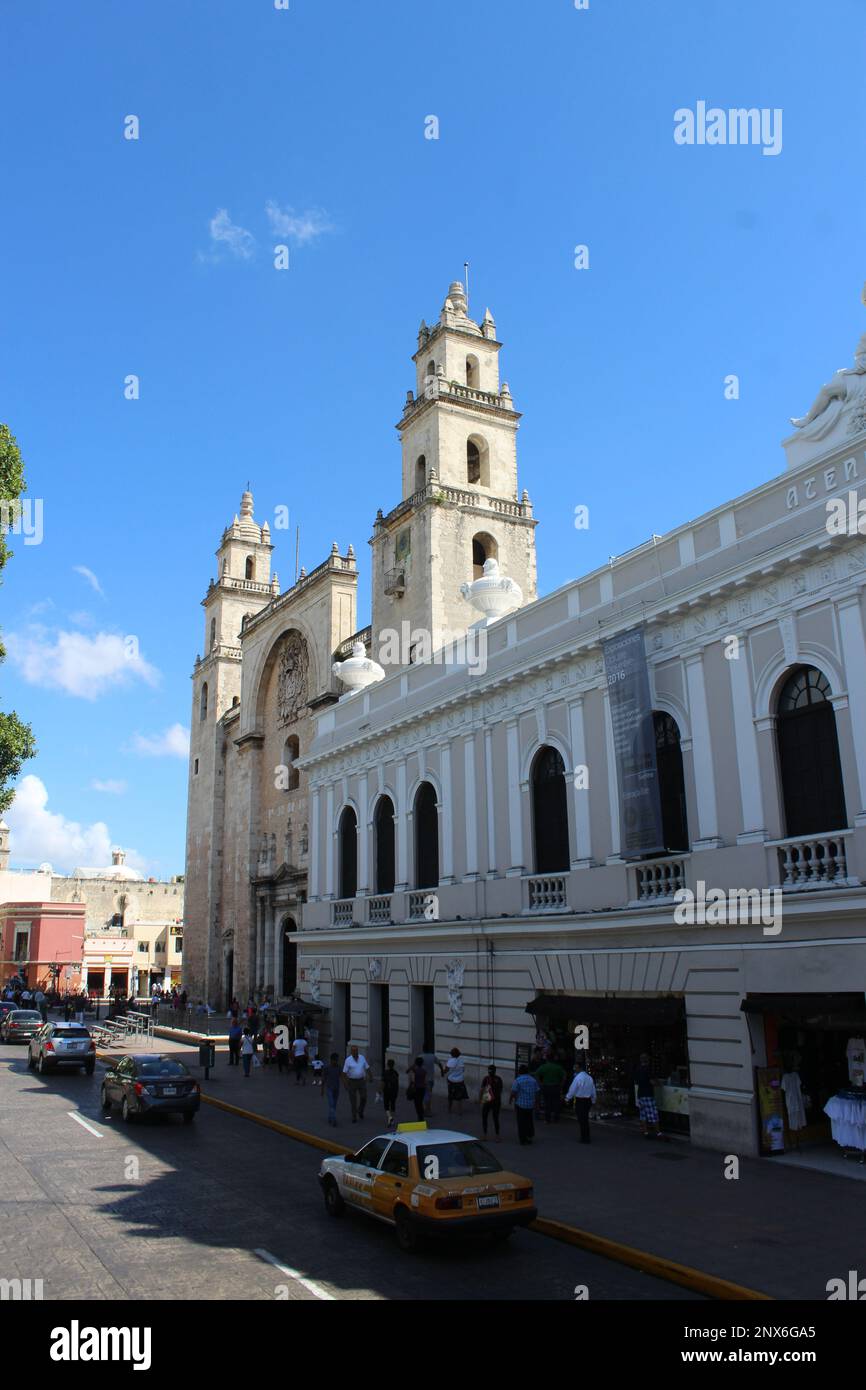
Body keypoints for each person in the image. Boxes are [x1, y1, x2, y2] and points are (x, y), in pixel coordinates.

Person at [566, 1053, 597, 1144]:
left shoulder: (578, 1078)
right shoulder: (589, 1078)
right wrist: (593, 1100)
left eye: (575, 1067)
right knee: (585, 1119)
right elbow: (593, 1090)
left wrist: (567, 1098)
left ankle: (585, 1137)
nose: (574, 1069)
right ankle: (586, 1136)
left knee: (581, 1119)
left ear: (579, 1068)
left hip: (580, 1100)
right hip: (587, 1100)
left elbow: (572, 1089)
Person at [509, 1064, 541, 1145]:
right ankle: (529, 1136)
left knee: (521, 1122)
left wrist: (510, 1100)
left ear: (520, 1071)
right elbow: (537, 1092)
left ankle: (522, 1139)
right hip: (530, 1105)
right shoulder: (533, 1080)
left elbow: (513, 1092)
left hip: (520, 1104)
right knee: (529, 1121)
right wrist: (537, 1102)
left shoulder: (518, 1080)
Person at [634, 1052, 662, 1139]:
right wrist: (658, 1083)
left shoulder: (638, 1069)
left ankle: (645, 1132)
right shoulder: (648, 1069)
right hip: (648, 1094)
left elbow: (637, 1081)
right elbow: (652, 1081)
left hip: (640, 1094)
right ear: (648, 1060)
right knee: (653, 1114)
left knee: (643, 1114)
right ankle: (658, 1133)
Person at [342, 1044, 371, 1122]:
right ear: (351, 1052)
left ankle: (360, 1110)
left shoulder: (362, 1058)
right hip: (352, 1082)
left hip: (361, 1081)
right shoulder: (348, 1060)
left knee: (364, 1097)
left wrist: (370, 1076)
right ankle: (354, 1116)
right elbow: (344, 1073)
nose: (355, 1052)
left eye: (356, 1051)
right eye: (353, 1051)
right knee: (353, 1100)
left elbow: (367, 1067)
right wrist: (345, 1084)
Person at [535, 1054, 566, 1124]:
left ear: (547, 1059)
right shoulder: (558, 1067)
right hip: (556, 1086)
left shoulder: (544, 1067)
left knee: (547, 1103)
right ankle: (556, 1118)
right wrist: (561, 1085)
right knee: (556, 1103)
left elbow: (537, 1074)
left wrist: (540, 1083)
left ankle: (547, 1119)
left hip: (546, 1086)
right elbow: (564, 1077)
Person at [479, 1064, 503, 1140]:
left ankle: (486, 1135)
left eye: (490, 1070)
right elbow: (500, 1090)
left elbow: (482, 1090)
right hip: (494, 1100)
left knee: (487, 1117)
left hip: (488, 1100)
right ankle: (496, 1136)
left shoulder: (487, 1078)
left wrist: (481, 1100)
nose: (490, 1072)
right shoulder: (498, 1079)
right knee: (494, 1118)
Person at [442, 1047, 468, 1117]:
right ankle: (460, 1111)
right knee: (459, 1097)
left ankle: (449, 1109)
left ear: (452, 1054)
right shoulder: (461, 1061)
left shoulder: (451, 1061)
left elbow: (446, 1070)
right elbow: (463, 1070)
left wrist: (443, 1072)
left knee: (450, 1095)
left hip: (452, 1080)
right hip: (460, 1080)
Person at [323, 1052, 342, 1127]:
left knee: (334, 1104)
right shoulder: (327, 1068)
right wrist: (322, 1089)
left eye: (337, 1060)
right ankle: (334, 1119)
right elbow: (324, 1078)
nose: (336, 1062)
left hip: (336, 1089)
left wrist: (346, 1084)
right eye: (335, 1060)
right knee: (331, 1104)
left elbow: (342, 1076)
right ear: (331, 1060)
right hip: (329, 1089)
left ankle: (330, 1117)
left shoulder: (339, 1067)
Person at [407, 1057, 427, 1123]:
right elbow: (425, 1080)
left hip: (416, 1088)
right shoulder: (424, 1071)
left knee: (417, 1103)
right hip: (422, 1088)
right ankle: (421, 1116)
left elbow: (411, 1078)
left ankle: (420, 1117)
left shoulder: (414, 1070)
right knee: (420, 1102)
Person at [382, 1058, 400, 1128]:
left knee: (386, 1105)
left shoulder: (385, 1073)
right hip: (394, 1091)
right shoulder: (396, 1073)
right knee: (393, 1104)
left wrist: (379, 1091)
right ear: (393, 1065)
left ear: (387, 1065)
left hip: (387, 1091)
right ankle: (392, 1119)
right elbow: (397, 1083)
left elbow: (382, 1082)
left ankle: (389, 1117)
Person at [420, 1049, 438, 1116]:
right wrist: (442, 1071)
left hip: (423, 1079)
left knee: (425, 1095)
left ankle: (425, 1109)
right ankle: (427, 1110)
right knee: (428, 1095)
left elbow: (415, 1065)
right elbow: (439, 1063)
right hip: (430, 1079)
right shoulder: (432, 1056)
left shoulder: (420, 1056)